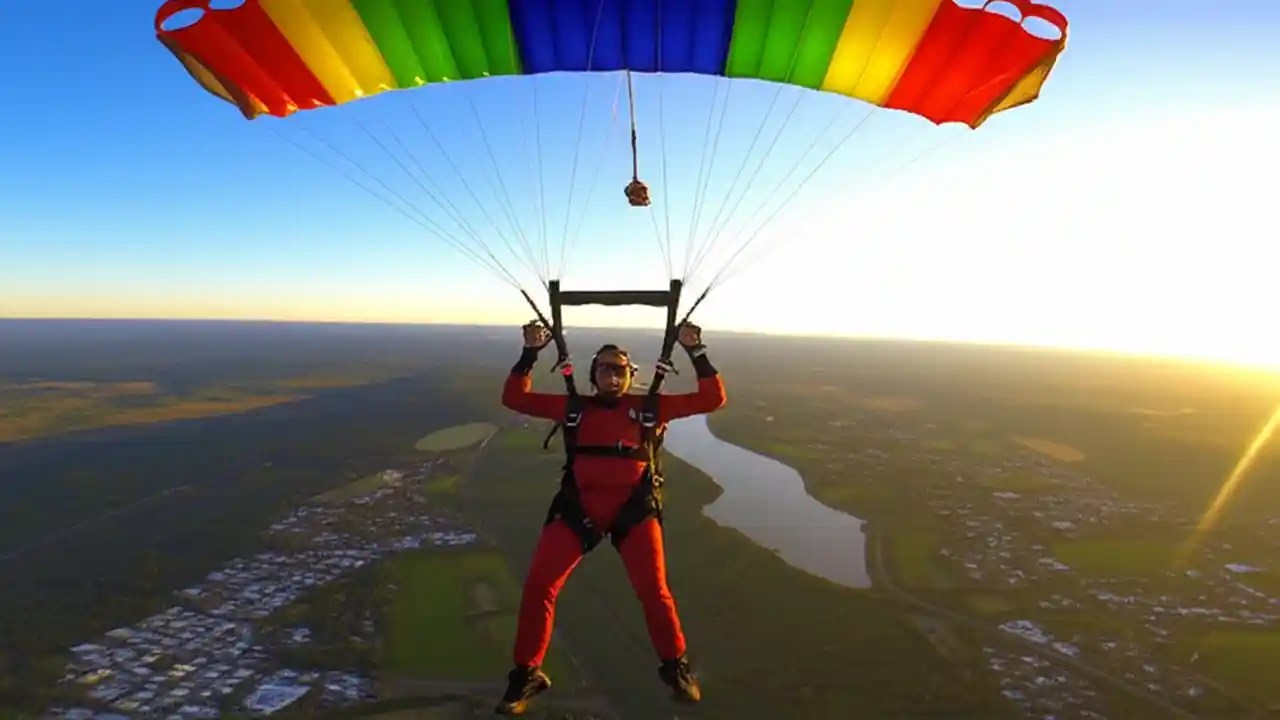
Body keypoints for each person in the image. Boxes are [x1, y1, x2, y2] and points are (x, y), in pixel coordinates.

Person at [494, 320, 727, 715]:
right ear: (593, 375)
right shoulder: (575, 409)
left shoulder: (650, 408)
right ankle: (527, 673)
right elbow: (515, 398)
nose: (612, 375)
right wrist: (529, 352)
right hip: (578, 509)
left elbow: (712, 399)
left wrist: (695, 348)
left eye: (619, 369)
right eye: (604, 368)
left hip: (632, 511)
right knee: (539, 586)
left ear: (631, 375)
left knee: (654, 590)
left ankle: (676, 668)